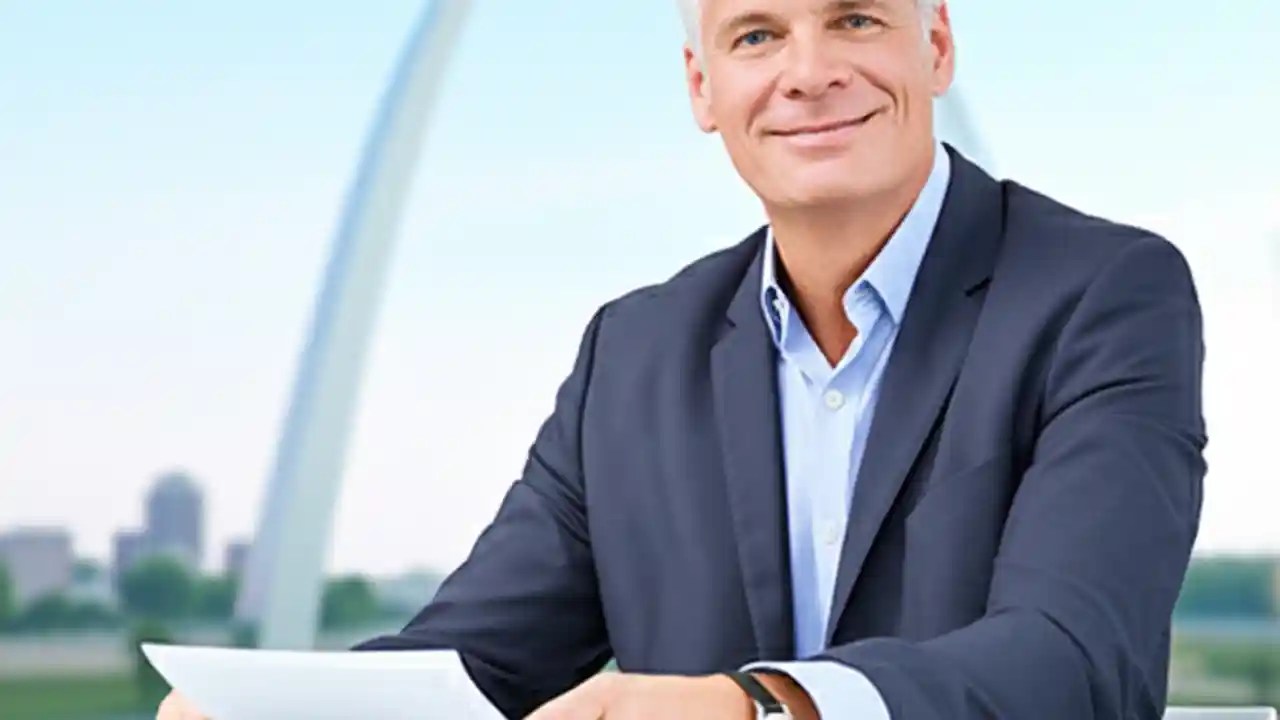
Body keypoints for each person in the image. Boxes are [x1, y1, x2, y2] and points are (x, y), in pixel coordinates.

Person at [159, 0, 1206, 717]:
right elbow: (475, 665)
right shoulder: (635, 350)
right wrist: (277, 706)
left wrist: (759, 707)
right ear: (702, 87)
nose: (808, 72)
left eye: (853, 16)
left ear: (935, 45)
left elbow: (1078, 659)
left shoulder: (1101, 294)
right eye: (755, 34)